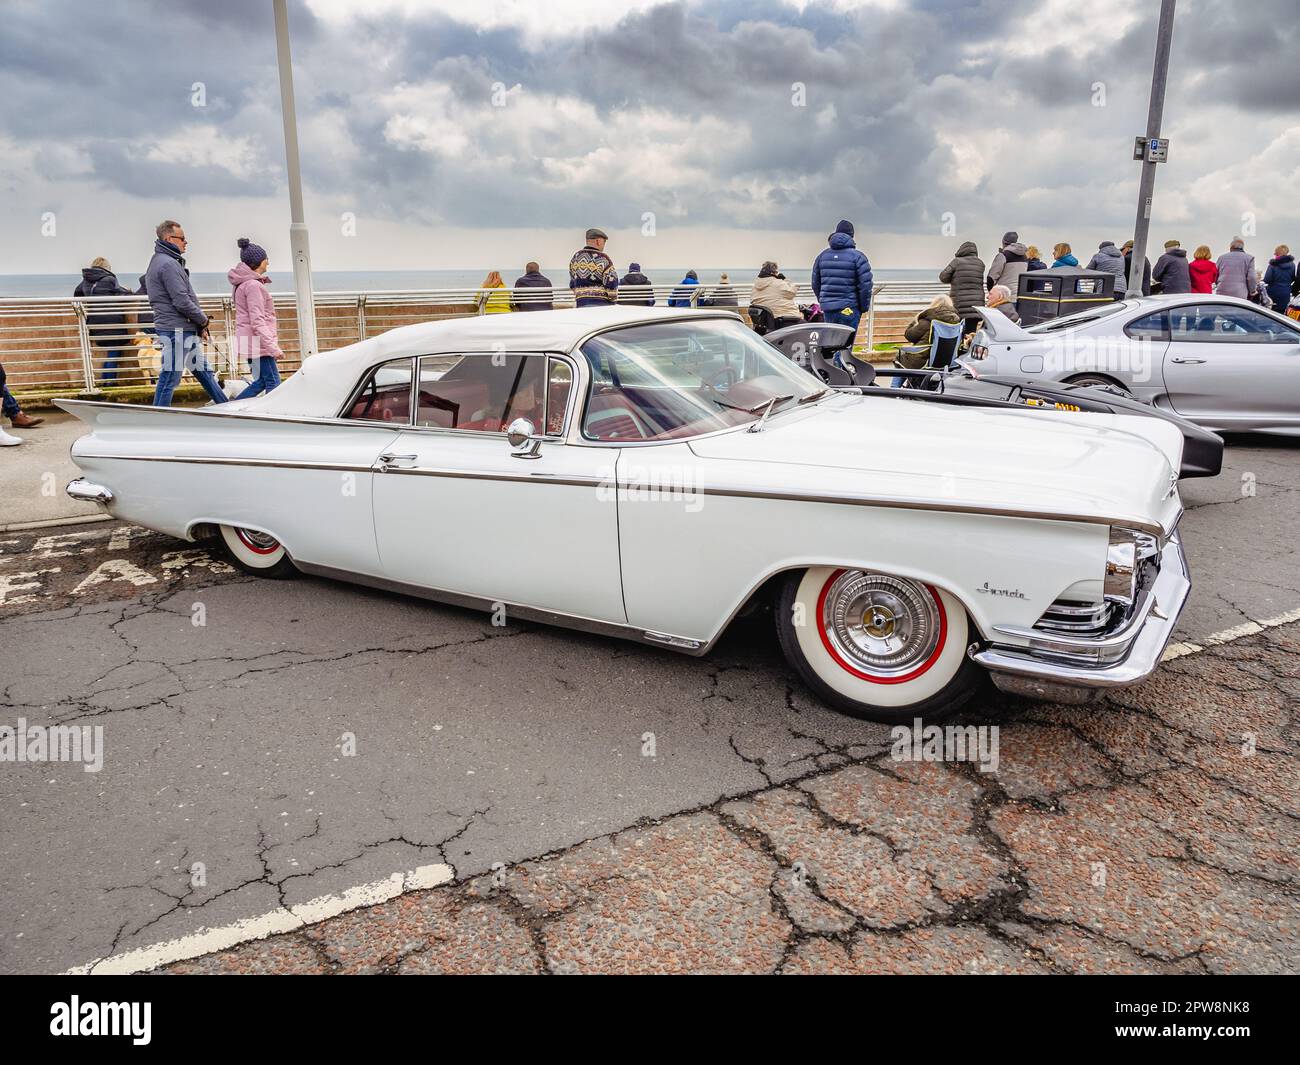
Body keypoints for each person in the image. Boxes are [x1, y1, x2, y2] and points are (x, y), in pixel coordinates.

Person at [145, 220, 227, 407]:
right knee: (170, 378)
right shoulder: (168, 265)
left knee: (204, 373)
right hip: (177, 331)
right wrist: (203, 320)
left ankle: (226, 407)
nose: (186, 242)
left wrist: (198, 324)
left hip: (181, 328)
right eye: (182, 238)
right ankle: (156, 420)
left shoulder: (162, 261)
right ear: (169, 238)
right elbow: (181, 300)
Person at [227, 238, 283, 399]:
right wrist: (273, 347)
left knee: (260, 382)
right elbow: (257, 320)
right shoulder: (253, 285)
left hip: (250, 341)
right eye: (266, 259)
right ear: (259, 261)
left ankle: (234, 408)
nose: (268, 263)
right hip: (258, 343)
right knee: (273, 382)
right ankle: (273, 416)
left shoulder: (242, 284)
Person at [74, 257, 134, 385]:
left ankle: (106, 380)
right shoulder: (110, 279)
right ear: (107, 267)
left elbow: (77, 296)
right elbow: (121, 294)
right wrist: (129, 291)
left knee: (110, 351)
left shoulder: (85, 281)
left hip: (95, 323)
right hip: (112, 320)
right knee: (113, 352)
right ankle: (109, 382)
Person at [811, 219, 874, 338]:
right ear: (852, 236)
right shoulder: (858, 257)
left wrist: (824, 301)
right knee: (845, 344)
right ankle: (840, 357)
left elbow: (815, 283)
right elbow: (865, 285)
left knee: (830, 342)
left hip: (829, 308)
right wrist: (863, 307)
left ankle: (834, 357)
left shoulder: (822, 256)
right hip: (849, 307)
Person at [938, 240, 987, 337]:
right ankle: (969, 350)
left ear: (961, 250)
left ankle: (958, 351)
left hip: (959, 306)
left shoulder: (956, 262)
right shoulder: (980, 263)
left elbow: (943, 277)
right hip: (976, 307)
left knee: (958, 334)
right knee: (970, 334)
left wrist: (954, 279)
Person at [569, 228, 618, 307]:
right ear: (598, 241)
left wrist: (580, 294)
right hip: (600, 305)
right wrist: (613, 302)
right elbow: (612, 282)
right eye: (604, 242)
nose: (604, 245)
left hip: (581, 303)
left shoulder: (576, 257)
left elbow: (572, 282)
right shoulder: (603, 259)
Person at [750, 261, 801, 329]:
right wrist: (785, 279)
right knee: (806, 326)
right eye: (777, 272)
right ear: (773, 272)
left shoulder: (755, 286)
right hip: (782, 319)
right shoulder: (779, 283)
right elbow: (792, 293)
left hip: (765, 322)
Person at [1263, 245, 1295, 313]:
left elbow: (1267, 279)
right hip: (1286, 292)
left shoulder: (1272, 265)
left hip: (1273, 293)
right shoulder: (1292, 265)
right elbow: (1292, 278)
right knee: (1282, 315)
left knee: (1271, 314)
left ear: (1277, 253)